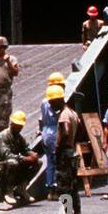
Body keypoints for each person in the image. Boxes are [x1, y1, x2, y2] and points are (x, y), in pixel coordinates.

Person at [47, 85, 85, 214]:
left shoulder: (63, 115)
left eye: (52, 102)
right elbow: (81, 131)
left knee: (64, 190)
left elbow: (65, 131)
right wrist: (73, 143)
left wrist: (58, 146)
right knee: (73, 188)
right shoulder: (73, 113)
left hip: (64, 154)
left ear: (58, 100)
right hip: (72, 152)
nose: (50, 105)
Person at [0, 110, 40, 206]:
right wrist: (25, 159)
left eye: (21, 126)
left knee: (38, 162)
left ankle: (22, 188)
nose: (19, 128)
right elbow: (6, 155)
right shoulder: (3, 137)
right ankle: (8, 191)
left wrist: (32, 154)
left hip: (13, 160)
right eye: (17, 125)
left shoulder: (18, 137)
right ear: (11, 123)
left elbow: (25, 148)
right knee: (13, 163)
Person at [38, 72, 65, 201]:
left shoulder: (44, 101)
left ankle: (50, 189)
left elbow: (41, 119)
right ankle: (55, 188)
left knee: (50, 162)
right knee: (57, 161)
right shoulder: (56, 101)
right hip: (54, 131)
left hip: (45, 131)